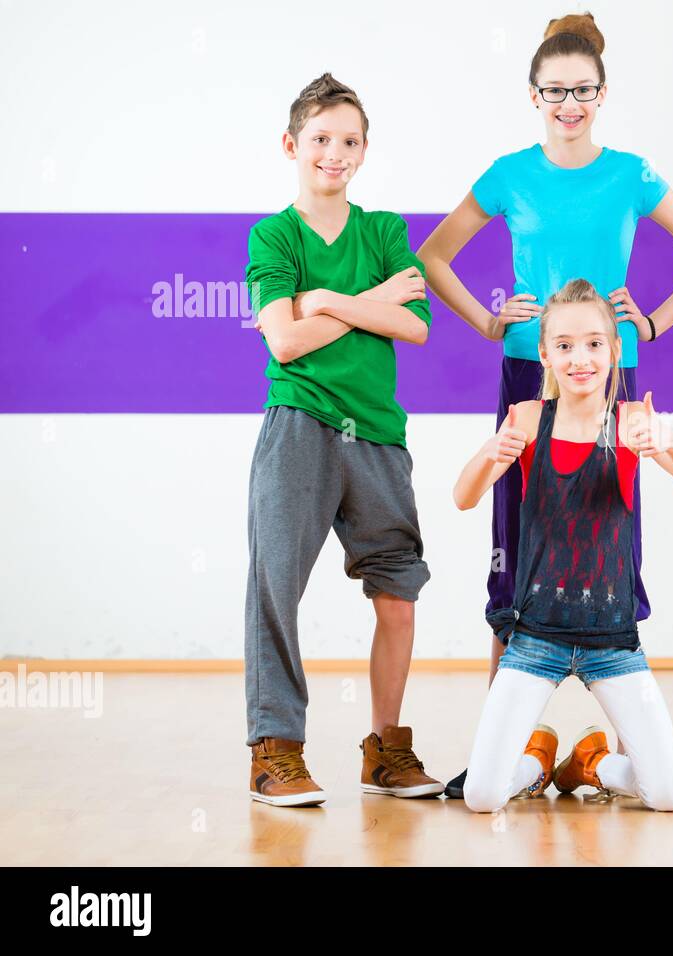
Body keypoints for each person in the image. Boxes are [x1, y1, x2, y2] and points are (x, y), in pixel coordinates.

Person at [418, 11, 673, 797]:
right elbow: (433, 254)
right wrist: (491, 320)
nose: (568, 103)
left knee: (613, 548)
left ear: (602, 93)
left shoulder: (631, 173)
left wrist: (651, 321)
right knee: (513, 555)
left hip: (605, 381)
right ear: (532, 94)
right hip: (530, 374)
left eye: (582, 90)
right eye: (554, 90)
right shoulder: (509, 173)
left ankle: (623, 751)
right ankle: (511, 745)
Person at [243, 73, 442, 806]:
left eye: (350, 140)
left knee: (398, 593)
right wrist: (369, 301)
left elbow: (416, 326)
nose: (336, 152)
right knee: (275, 588)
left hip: (379, 438)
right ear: (292, 145)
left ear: (364, 149)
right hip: (299, 425)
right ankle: (276, 750)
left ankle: (386, 752)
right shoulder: (274, 235)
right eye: (321, 139)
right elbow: (287, 345)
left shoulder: (384, 230)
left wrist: (326, 299)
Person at [451, 278, 673, 812]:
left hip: (612, 638)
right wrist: (490, 455)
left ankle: (593, 764)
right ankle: (537, 762)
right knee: (481, 795)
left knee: (667, 793)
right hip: (535, 636)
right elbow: (463, 496)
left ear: (615, 350)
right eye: (565, 346)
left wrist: (663, 443)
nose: (581, 358)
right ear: (545, 354)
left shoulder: (633, 419)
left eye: (595, 344)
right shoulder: (526, 419)